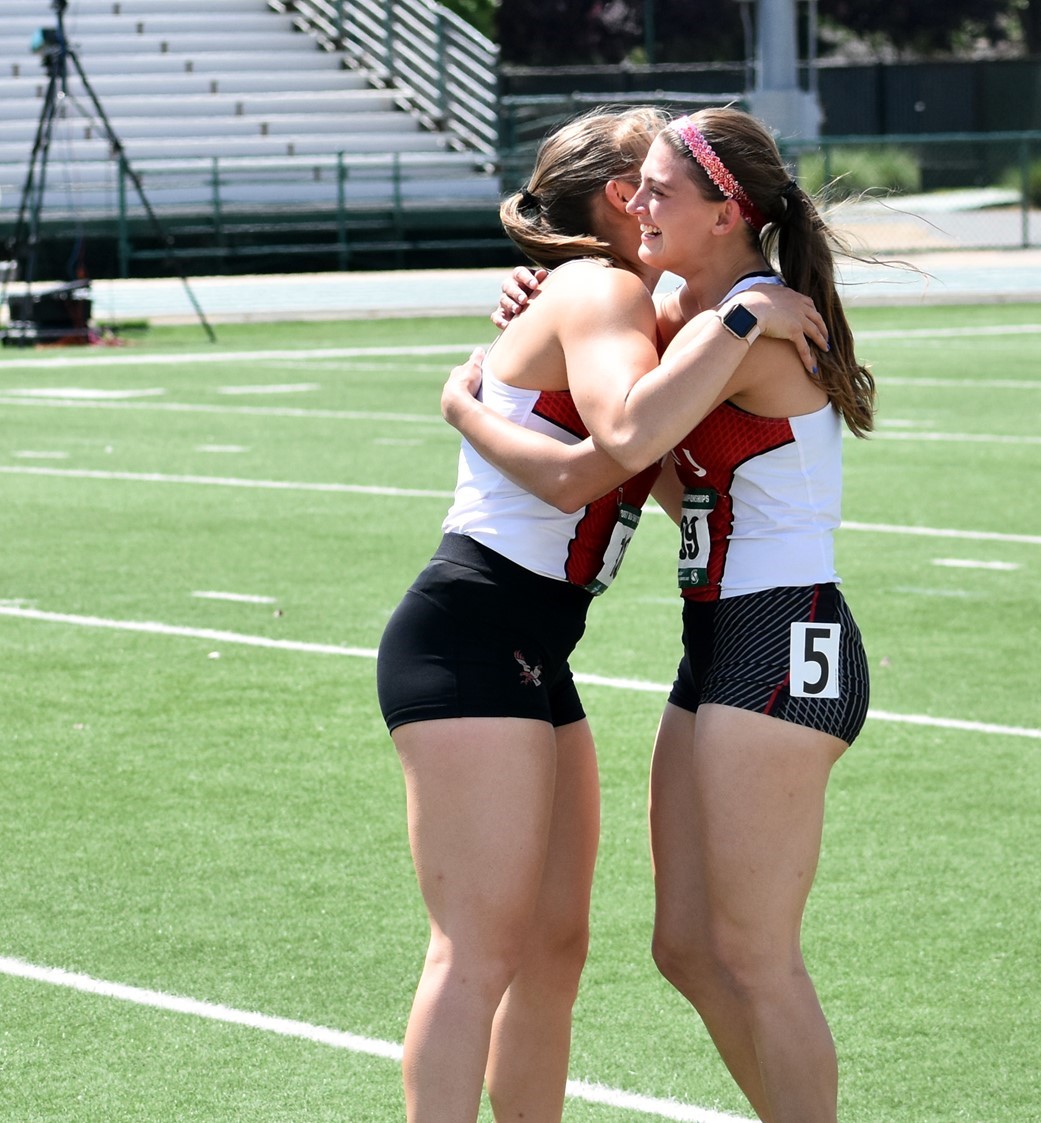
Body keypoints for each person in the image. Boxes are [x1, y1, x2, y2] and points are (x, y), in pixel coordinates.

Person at [375, 107, 827, 1123]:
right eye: (652, 177)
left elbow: (675, 468)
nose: (660, 195)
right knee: (476, 949)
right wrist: (463, 407)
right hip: (473, 629)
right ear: (622, 198)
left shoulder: (630, 303)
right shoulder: (602, 289)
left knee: (550, 948)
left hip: (535, 646)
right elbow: (600, 464)